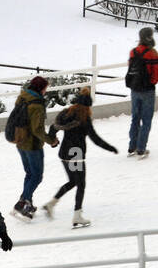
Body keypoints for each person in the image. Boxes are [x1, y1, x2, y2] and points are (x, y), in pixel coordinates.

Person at [44, 88, 118, 226]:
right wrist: (111, 148)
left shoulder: (66, 113)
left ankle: (51, 204)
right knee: (81, 184)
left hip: (64, 153)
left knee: (73, 182)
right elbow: (95, 139)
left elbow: (54, 127)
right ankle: (77, 215)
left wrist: (53, 140)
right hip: (75, 154)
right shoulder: (84, 119)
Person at [124, 26, 158, 158]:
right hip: (148, 91)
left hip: (134, 90)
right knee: (146, 120)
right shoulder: (152, 53)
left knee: (135, 118)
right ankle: (141, 149)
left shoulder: (133, 52)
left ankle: (132, 146)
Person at [12, 76, 57, 219]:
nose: (45, 91)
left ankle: (27, 203)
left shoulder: (23, 97)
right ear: (40, 88)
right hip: (32, 145)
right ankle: (22, 203)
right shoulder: (37, 105)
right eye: (45, 88)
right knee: (37, 176)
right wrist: (51, 141)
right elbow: (37, 130)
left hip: (20, 142)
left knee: (30, 174)